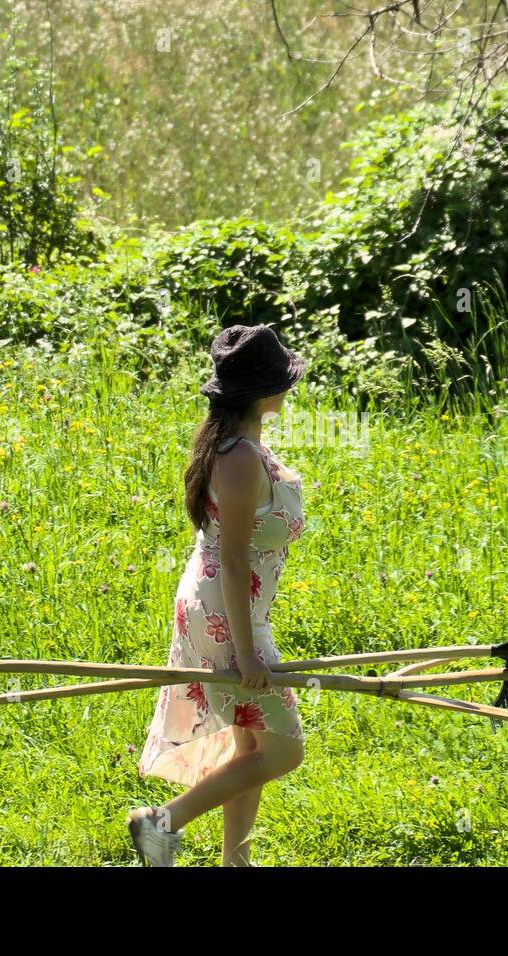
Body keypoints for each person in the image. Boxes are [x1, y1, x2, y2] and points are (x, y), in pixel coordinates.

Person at [128, 324, 309, 866]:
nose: (290, 388)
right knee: (283, 748)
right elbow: (232, 559)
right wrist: (249, 655)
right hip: (226, 617)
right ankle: (159, 824)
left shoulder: (246, 443)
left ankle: (237, 861)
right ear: (259, 392)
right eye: (282, 380)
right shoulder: (237, 458)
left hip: (235, 607)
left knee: (249, 744)